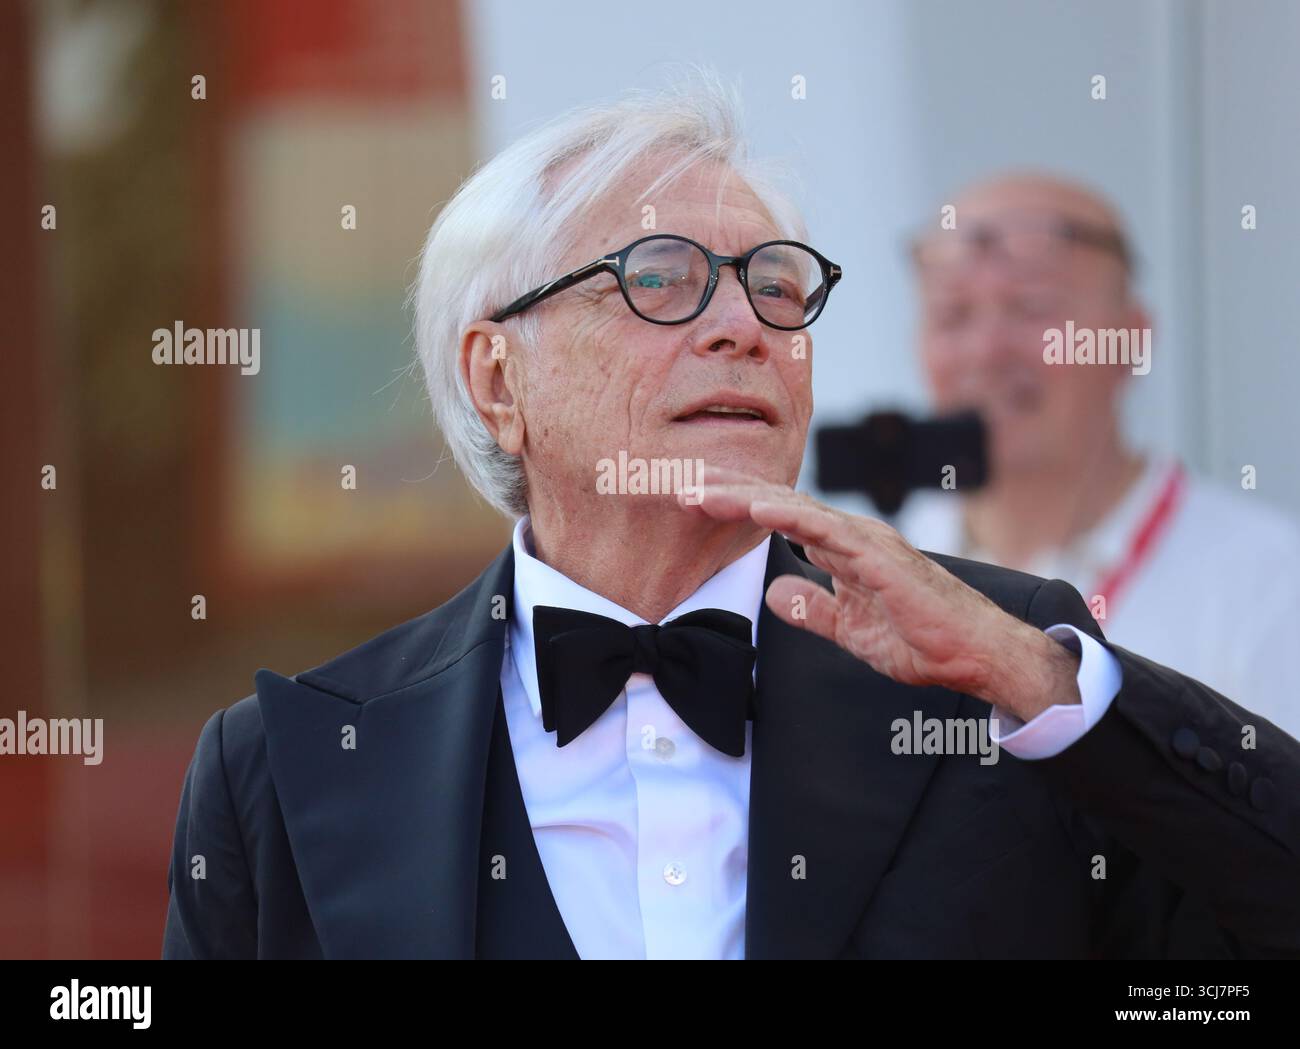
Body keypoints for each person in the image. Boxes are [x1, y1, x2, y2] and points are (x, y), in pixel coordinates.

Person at [163, 75, 1300, 960]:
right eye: (659, 279)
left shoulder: (996, 673)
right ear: (498, 379)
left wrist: (1048, 683)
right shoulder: (283, 766)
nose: (742, 326)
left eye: (774, 283)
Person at [899, 173, 1300, 739]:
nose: (987, 350)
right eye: (952, 315)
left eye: (1032, 307)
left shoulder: (1269, 584)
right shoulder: (889, 566)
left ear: (1132, 340)